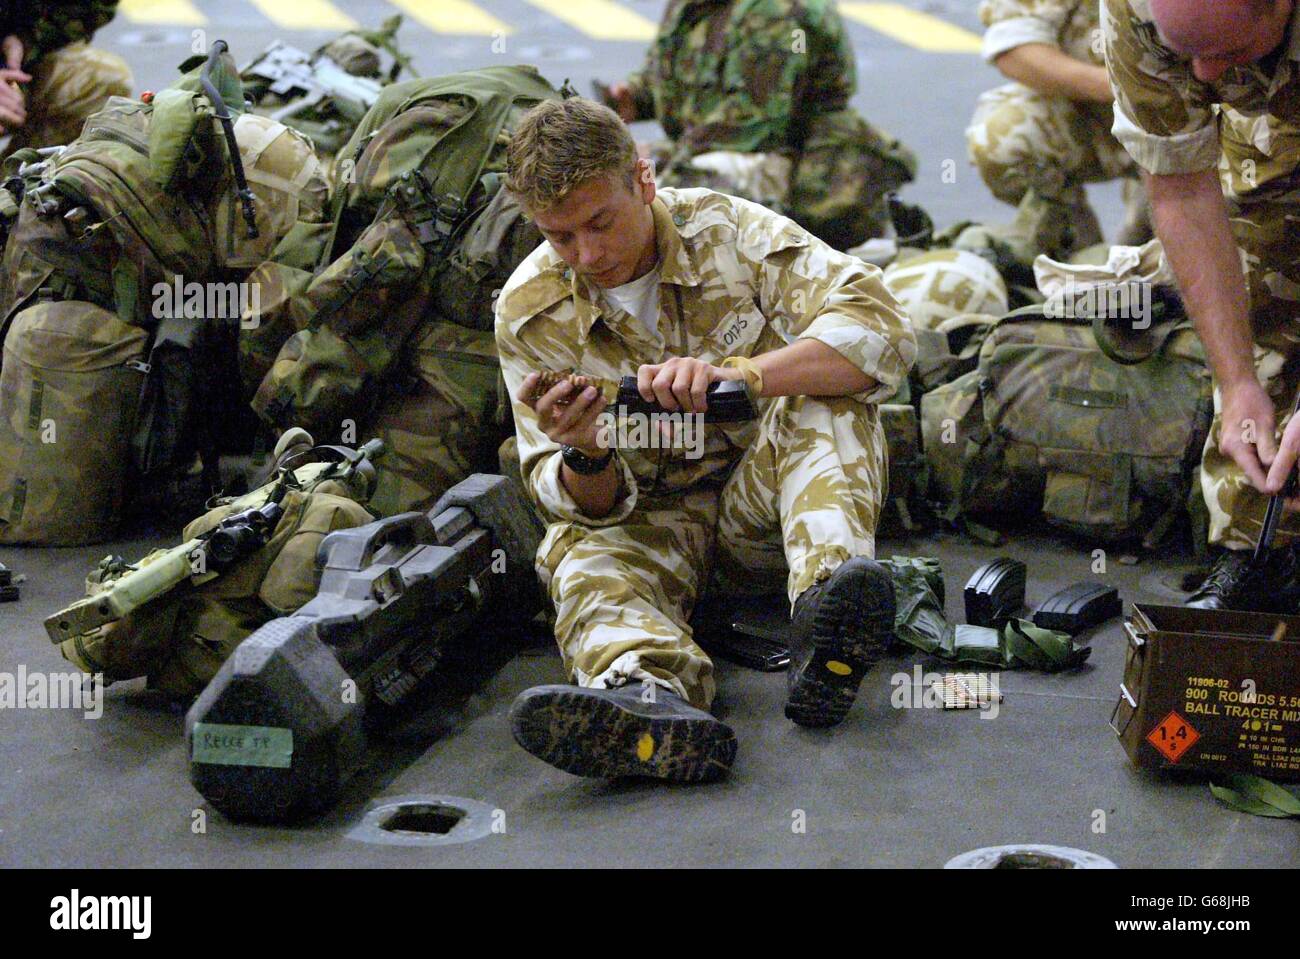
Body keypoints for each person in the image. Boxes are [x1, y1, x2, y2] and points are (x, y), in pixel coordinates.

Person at [494, 98, 917, 783]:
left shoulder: (728, 233)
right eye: (560, 237)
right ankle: (649, 700)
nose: (588, 254)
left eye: (601, 222)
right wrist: (586, 451)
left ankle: (827, 614)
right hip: (646, 526)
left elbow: (884, 334)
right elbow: (577, 504)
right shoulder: (528, 307)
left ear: (644, 178)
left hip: (763, 515)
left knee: (827, 403)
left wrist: (744, 376)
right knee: (575, 554)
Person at [1103, 0, 1300, 610]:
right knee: (1267, 266)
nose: (1206, 75)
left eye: (1227, 54)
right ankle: (1256, 548)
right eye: (1189, 53)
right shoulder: (1135, 13)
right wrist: (1239, 380)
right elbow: (1184, 192)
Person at [598, 0, 916, 250]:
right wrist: (634, 97)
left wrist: (656, 156)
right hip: (717, 140)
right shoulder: (695, 6)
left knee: (672, 197)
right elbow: (669, 74)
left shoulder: (778, 12)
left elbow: (753, 126)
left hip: (790, 155)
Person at [966, 0, 1150, 257]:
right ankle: (1080, 263)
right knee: (1002, 137)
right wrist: (1130, 89)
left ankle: (1159, 220)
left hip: (1210, 119)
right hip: (1102, 118)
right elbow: (1016, 52)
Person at [0, 2, 132, 159]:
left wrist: (22, 35)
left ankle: (22, 176)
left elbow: (90, 9)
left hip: (12, 68)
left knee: (98, 78)